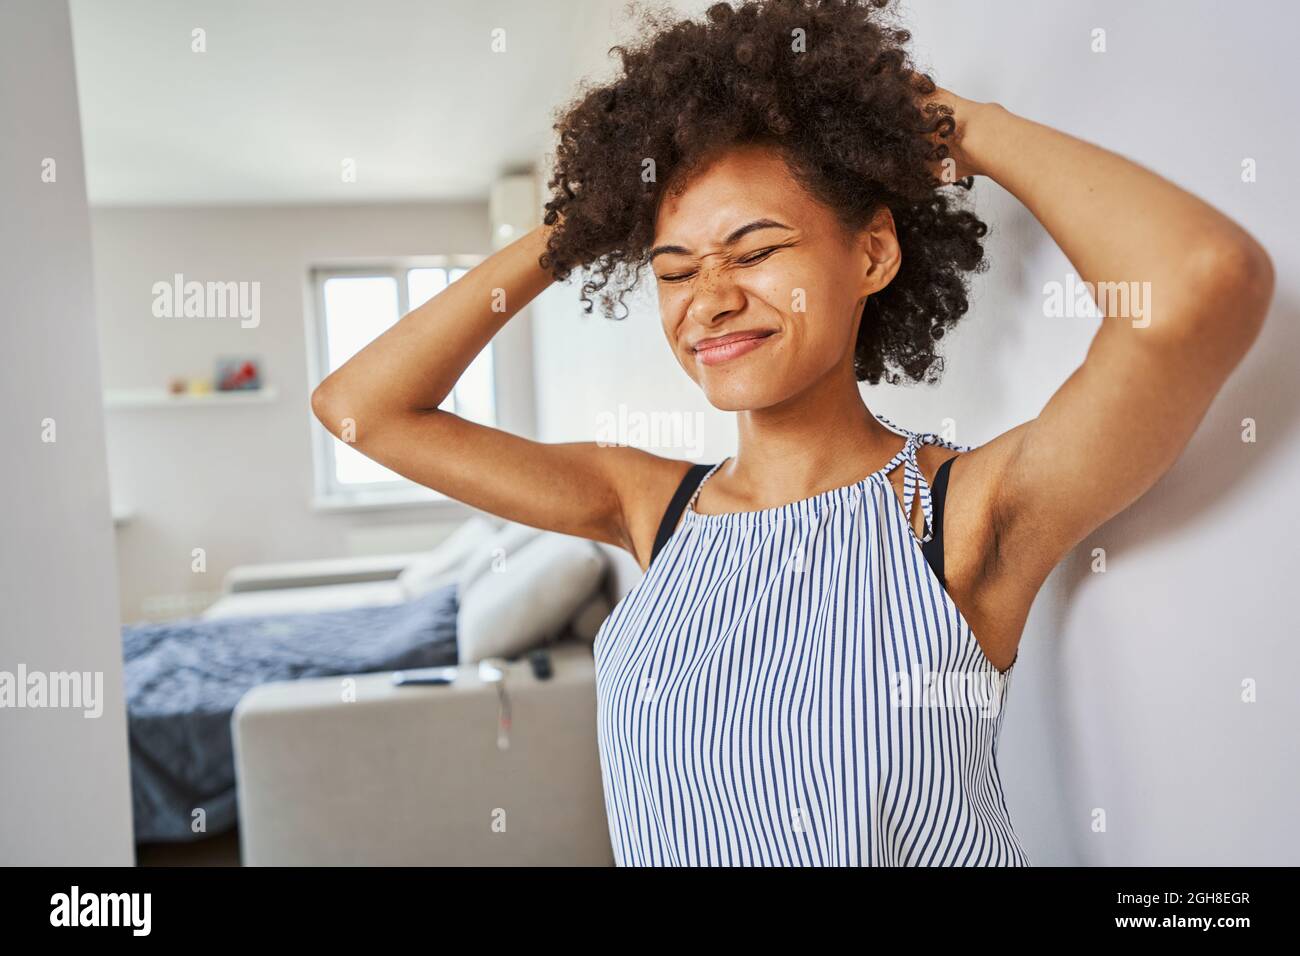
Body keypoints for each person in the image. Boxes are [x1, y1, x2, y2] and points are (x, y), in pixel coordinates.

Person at [311, 0, 1273, 865]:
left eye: (758, 250)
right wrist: (577, 224)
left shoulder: (964, 516)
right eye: (675, 269)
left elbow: (1198, 282)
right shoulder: (652, 507)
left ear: (873, 251)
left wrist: (961, 128)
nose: (712, 300)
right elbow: (361, 408)